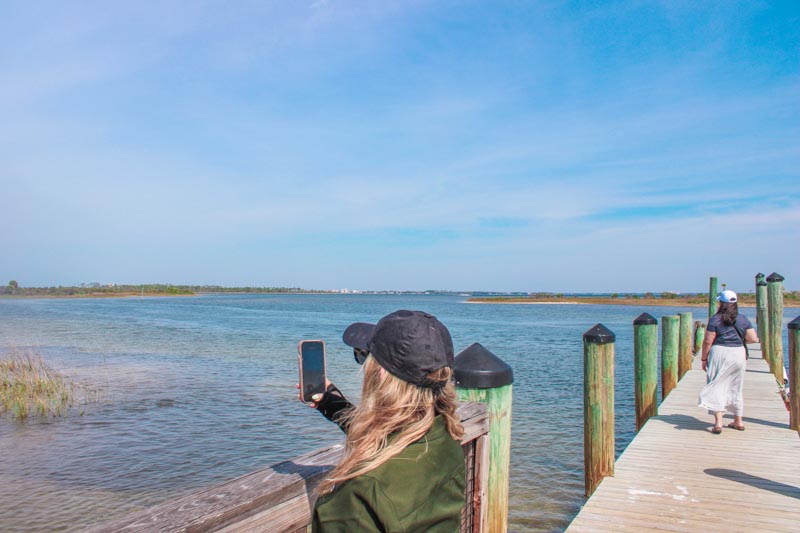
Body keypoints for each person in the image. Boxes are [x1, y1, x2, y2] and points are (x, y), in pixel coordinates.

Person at [301, 310, 466, 532]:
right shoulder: (447, 439)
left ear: (379, 375)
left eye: (363, 356)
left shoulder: (362, 491)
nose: (361, 362)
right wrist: (334, 406)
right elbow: (397, 441)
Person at [698, 290, 758, 434]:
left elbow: (707, 341)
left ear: (721, 303)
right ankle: (738, 421)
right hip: (738, 353)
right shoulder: (743, 319)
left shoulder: (715, 319)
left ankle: (718, 423)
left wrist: (704, 358)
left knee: (716, 385)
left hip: (720, 352)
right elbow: (752, 339)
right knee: (736, 387)